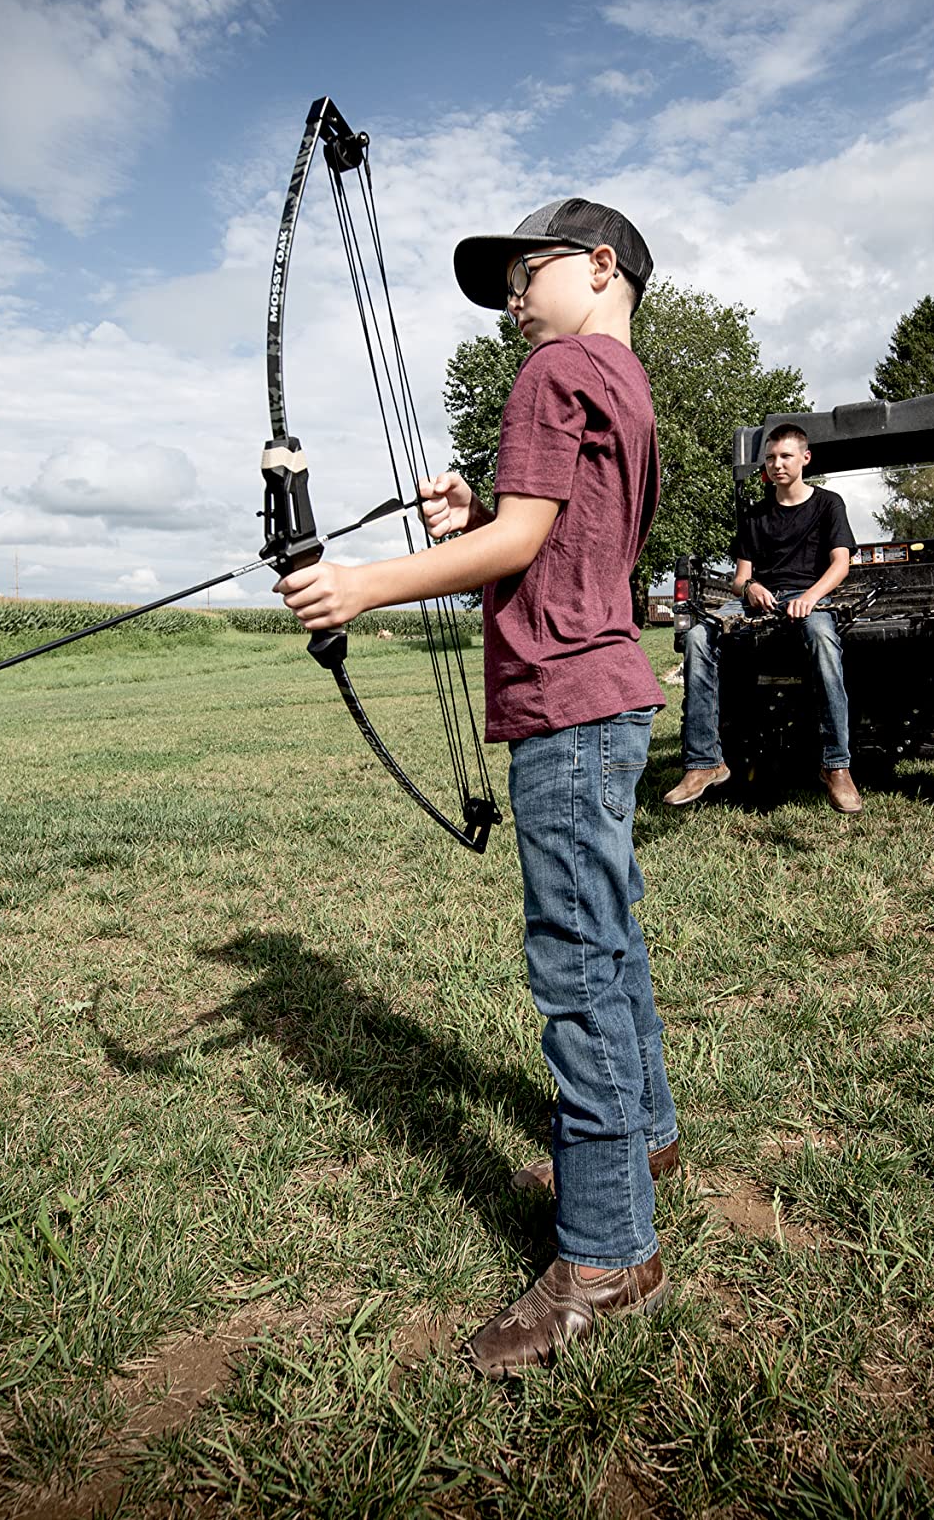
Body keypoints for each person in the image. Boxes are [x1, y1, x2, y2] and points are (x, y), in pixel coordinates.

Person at [277, 196, 678, 1378]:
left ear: (599, 267)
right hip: (611, 694)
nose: (512, 297)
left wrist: (360, 585)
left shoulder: (555, 370)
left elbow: (522, 545)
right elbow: (555, 538)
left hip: (566, 703)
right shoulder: (625, 381)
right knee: (611, 943)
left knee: (574, 965)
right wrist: (478, 518)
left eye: (526, 271)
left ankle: (604, 1255)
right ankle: (640, 1144)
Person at [664, 423, 861, 812]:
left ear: (805, 458)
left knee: (823, 640)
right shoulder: (755, 515)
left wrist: (810, 597)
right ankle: (704, 762)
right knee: (697, 638)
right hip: (758, 601)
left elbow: (841, 565)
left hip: (810, 597)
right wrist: (751, 587)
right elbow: (739, 580)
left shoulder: (828, 504)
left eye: (785, 456)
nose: (776, 464)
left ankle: (836, 767)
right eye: (770, 458)